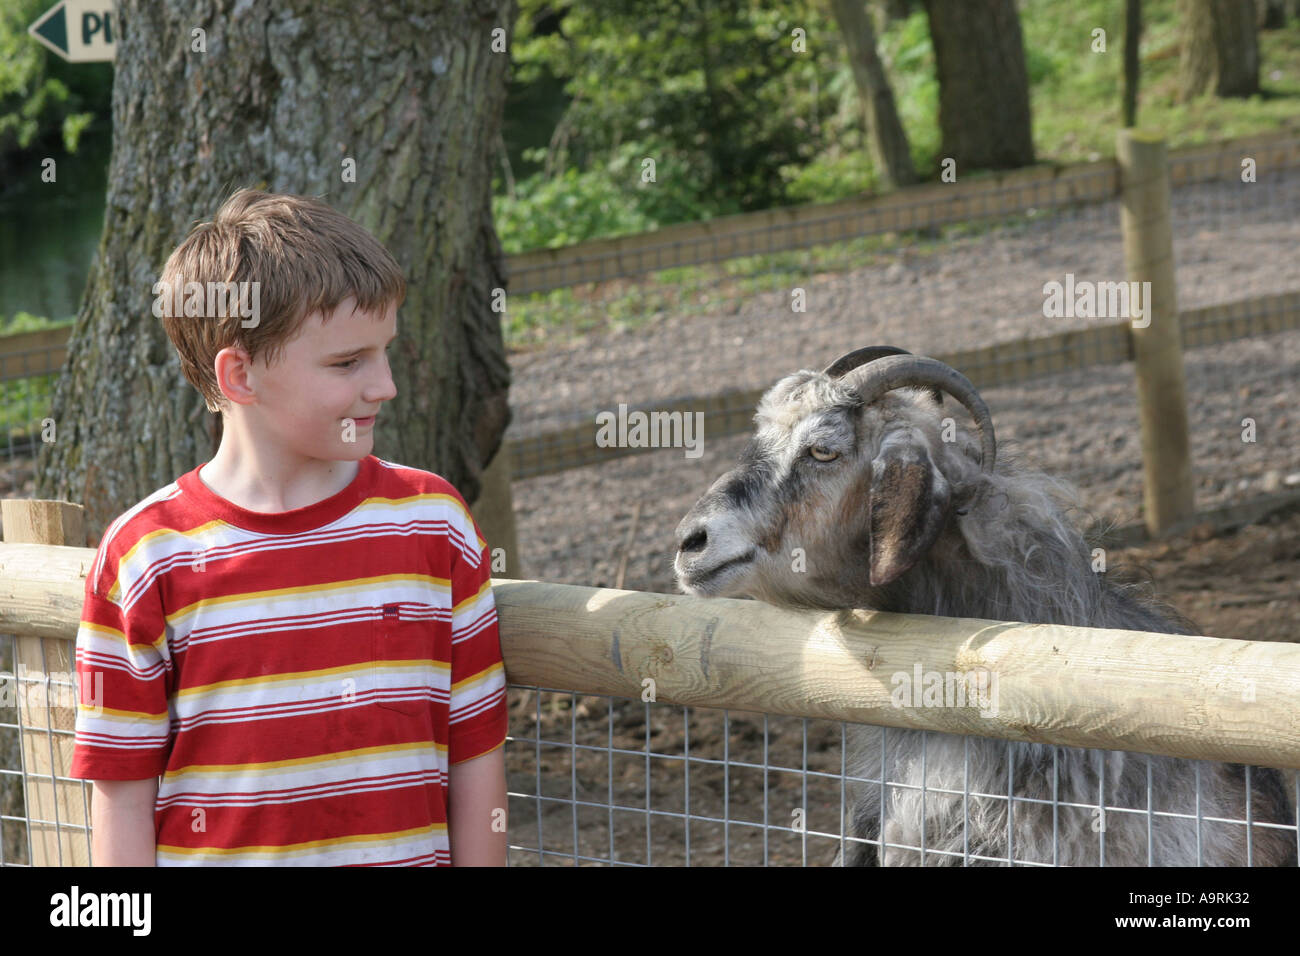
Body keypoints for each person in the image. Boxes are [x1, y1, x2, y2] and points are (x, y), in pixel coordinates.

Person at [69, 189, 508, 866]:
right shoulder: (144, 557)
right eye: (347, 362)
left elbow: (477, 755)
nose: (385, 385)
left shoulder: (435, 526)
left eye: (384, 352)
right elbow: (122, 795)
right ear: (240, 374)